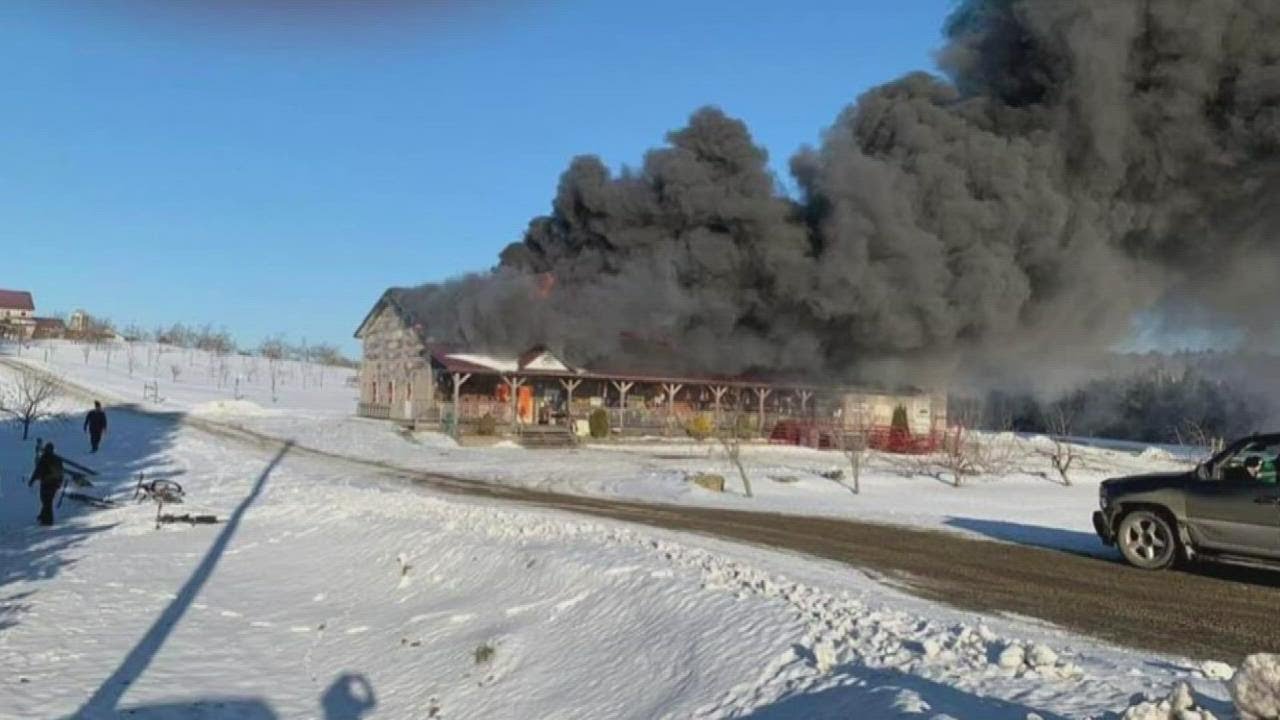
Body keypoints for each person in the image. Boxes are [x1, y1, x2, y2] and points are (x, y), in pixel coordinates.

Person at [28, 443, 65, 526]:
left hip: (46, 483)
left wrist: (32, 480)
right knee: (48, 500)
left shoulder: (44, 458)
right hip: (54, 483)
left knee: (46, 501)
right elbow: (61, 473)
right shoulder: (57, 459)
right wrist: (59, 483)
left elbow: (38, 470)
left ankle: (48, 520)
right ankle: (43, 516)